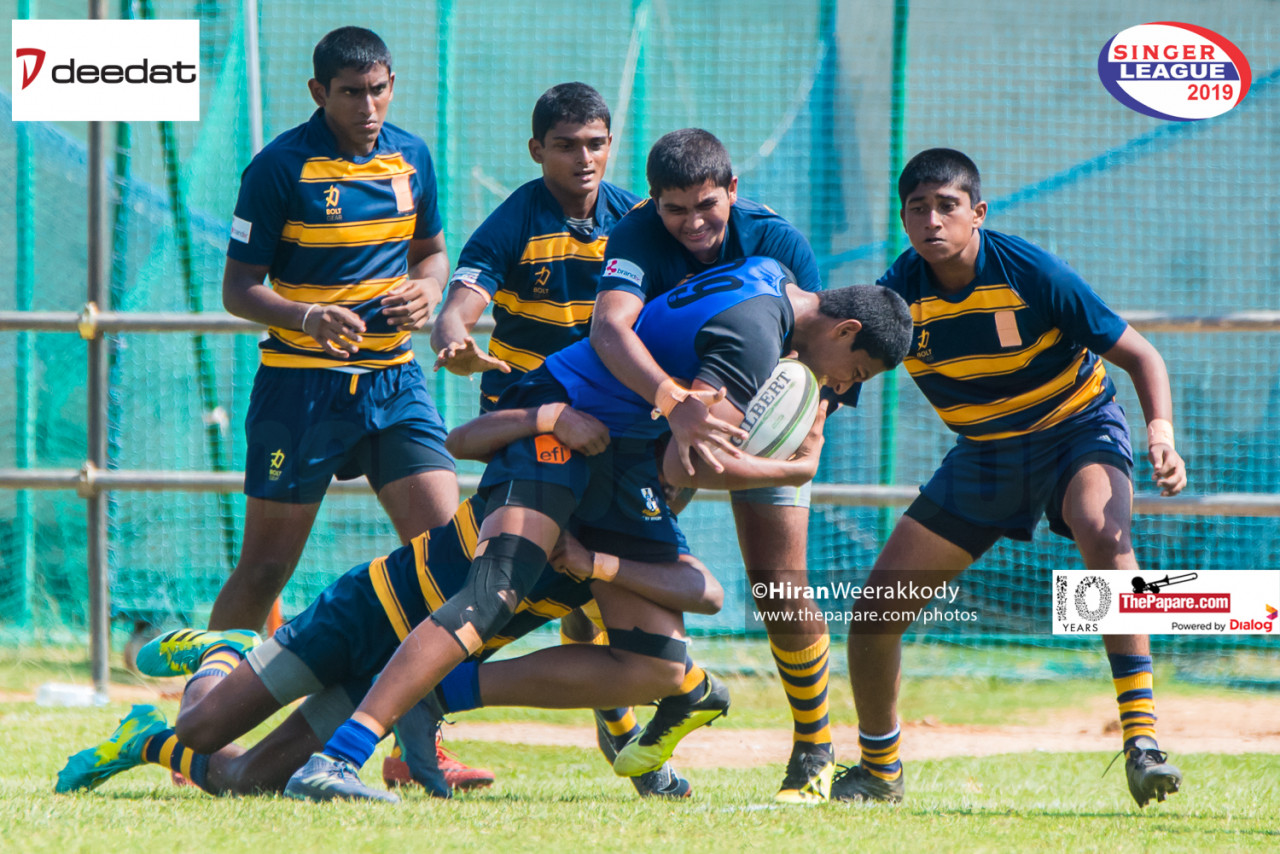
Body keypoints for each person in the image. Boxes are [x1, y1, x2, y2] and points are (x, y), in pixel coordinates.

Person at [283, 256, 913, 803]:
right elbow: (686, 462)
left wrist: (601, 561)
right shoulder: (756, 334)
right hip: (585, 439)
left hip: (610, 447)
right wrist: (795, 466)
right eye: (853, 374)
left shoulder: (768, 278)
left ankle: (439, 697)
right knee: (493, 595)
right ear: (845, 329)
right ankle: (341, 745)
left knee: (658, 651)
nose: (837, 387)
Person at [54, 442, 725, 799]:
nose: (666, 497)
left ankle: (143, 740)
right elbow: (474, 439)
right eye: (664, 483)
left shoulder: (617, 550)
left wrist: (628, 746)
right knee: (201, 726)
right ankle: (223, 649)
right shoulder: (550, 481)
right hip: (365, 614)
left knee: (246, 782)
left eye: (677, 498)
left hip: (395, 673)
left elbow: (613, 633)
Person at [832, 148, 1187, 808]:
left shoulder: (1030, 270)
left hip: (1076, 430)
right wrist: (795, 414)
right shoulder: (897, 296)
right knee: (875, 613)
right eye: (918, 208)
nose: (932, 220)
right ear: (903, 219)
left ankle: (1142, 742)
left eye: (948, 206)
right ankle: (879, 772)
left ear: (978, 213)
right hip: (987, 455)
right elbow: (837, 373)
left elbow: (1141, 354)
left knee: (1102, 535)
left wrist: (1160, 434)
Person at [215, 25, 490, 790]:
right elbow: (239, 289)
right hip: (299, 389)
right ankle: (205, 730)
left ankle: (416, 750)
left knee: (451, 565)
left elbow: (433, 253)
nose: (368, 106)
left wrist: (429, 290)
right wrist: (306, 316)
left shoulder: (412, 157)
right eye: (350, 93)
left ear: (392, 85)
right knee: (265, 568)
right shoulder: (279, 167)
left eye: (378, 90)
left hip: (395, 387)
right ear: (318, 94)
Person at [589, 128, 854, 802]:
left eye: (707, 205)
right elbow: (609, 329)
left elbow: (815, 353)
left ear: (732, 190)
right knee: (595, 571)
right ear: (653, 204)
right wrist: (672, 402)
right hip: (656, 426)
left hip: (763, 422)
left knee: (779, 587)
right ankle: (622, 729)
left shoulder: (778, 242)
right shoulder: (635, 235)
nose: (693, 223)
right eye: (675, 210)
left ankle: (815, 748)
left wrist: (802, 439)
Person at [427, 82, 668, 795]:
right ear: (538, 151)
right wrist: (456, 342)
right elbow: (456, 310)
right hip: (531, 437)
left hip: (612, 435)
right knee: (500, 591)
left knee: (599, 581)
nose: (583, 158)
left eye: (595, 143)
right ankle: (422, 721)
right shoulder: (511, 224)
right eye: (565, 145)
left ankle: (619, 725)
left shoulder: (639, 220)